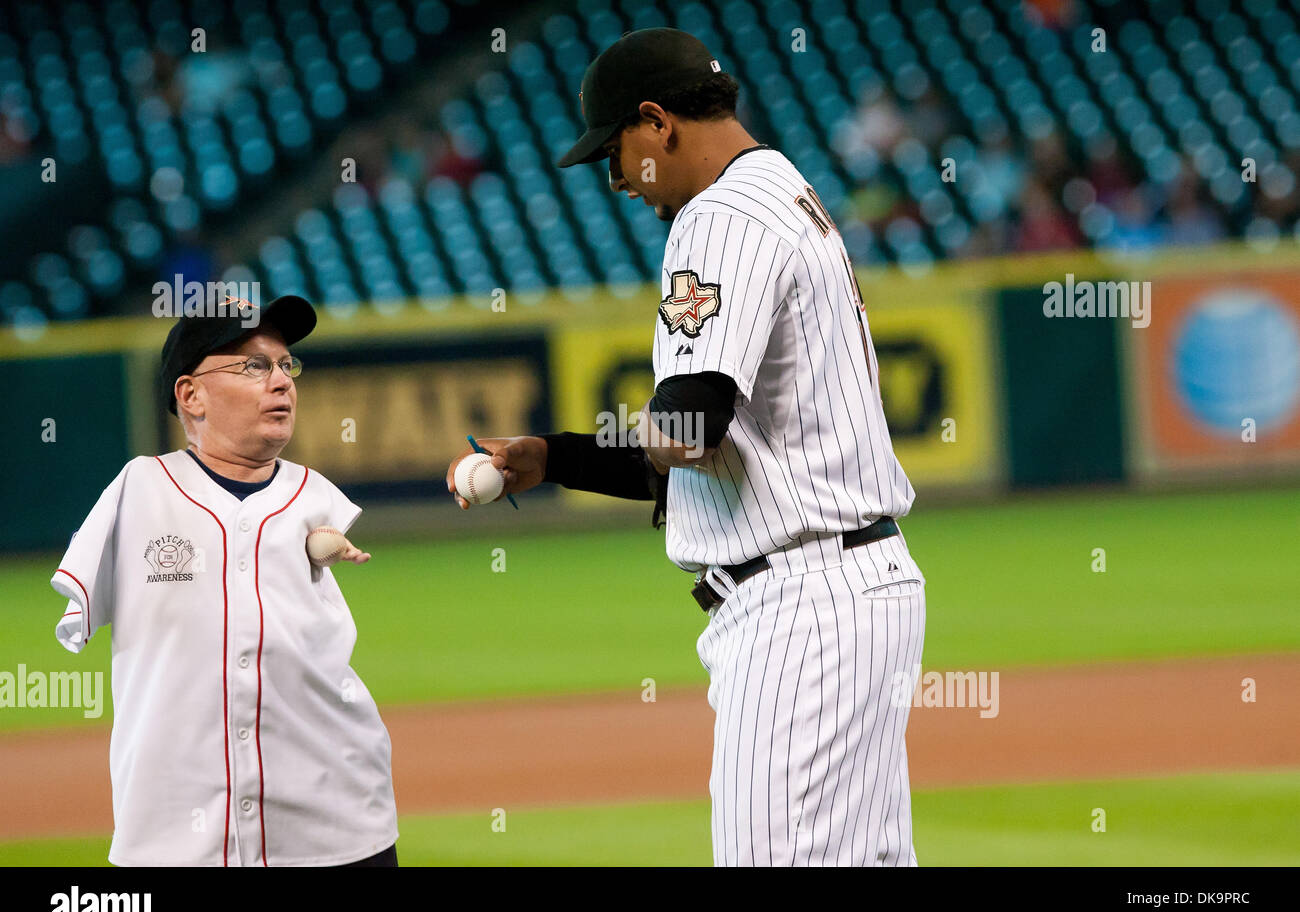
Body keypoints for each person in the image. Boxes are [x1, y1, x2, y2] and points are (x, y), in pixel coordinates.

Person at [447, 29, 926, 866]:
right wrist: (557, 457)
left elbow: (689, 427)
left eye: (616, 151)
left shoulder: (718, 215)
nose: (616, 179)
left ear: (657, 122)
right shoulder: (782, 185)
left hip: (801, 609)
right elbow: (711, 439)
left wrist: (637, 432)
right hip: (854, 586)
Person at [50, 295, 398, 866]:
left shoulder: (311, 490)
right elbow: (79, 607)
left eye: (287, 366)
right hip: (174, 837)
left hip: (337, 825)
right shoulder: (140, 492)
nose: (281, 382)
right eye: (254, 366)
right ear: (191, 395)